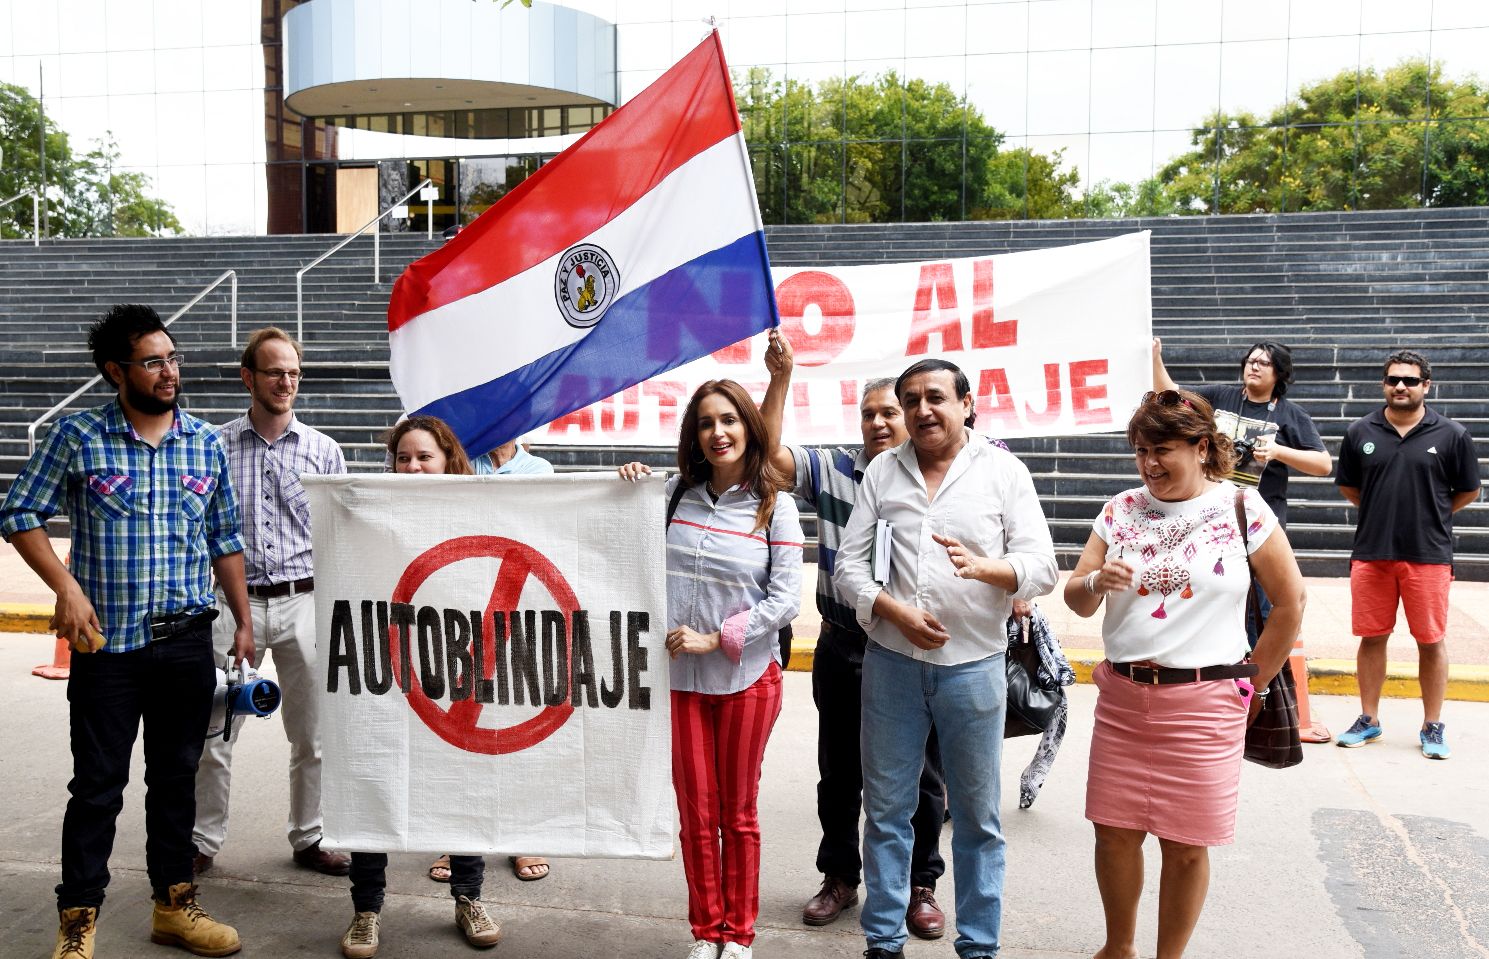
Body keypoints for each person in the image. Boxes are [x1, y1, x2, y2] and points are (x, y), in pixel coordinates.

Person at [1, 304, 253, 959]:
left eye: (171, 357)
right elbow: (20, 510)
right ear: (117, 371)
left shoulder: (203, 441)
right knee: (97, 786)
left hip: (188, 643)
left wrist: (244, 618)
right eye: (152, 361)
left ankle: (174, 907)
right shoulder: (79, 436)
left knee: (176, 779)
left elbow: (224, 535)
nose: (169, 371)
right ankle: (77, 921)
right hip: (107, 649)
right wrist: (65, 584)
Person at [1063, 388, 1303, 959]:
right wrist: (1097, 582)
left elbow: (1290, 603)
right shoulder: (1120, 509)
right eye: (1141, 450)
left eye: (1162, 449)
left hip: (1205, 700)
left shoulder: (1243, 508)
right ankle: (1118, 947)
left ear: (1201, 448)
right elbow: (1075, 596)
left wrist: (1254, 683)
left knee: (1187, 845)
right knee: (1114, 833)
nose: (1149, 464)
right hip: (1124, 700)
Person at [833, 358, 1058, 959]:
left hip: (974, 668)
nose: (922, 410)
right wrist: (891, 608)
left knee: (980, 820)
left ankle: (979, 945)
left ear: (965, 403)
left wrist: (991, 569)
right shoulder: (883, 471)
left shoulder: (1004, 472)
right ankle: (882, 941)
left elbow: (1043, 565)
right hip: (891, 664)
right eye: (911, 400)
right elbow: (847, 565)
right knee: (885, 813)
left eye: (935, 397)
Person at [756, 332, 949, 938]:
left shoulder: (938, 478)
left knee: (923, 779)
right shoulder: (836, 470)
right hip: (845, 646)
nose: (879, 422)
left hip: (917, 649)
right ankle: (840, 878)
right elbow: (767, 458)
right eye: (869, 413)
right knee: (839, 773)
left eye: (890, 411)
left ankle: (921, 888)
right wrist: (781, 378)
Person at [618, 378, 803, 959]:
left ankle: (739, 936)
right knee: (696, 816)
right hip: (680, 684)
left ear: (748, 425)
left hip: (747, 680)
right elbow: (621, 546)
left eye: (728, 420)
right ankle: (707, 932)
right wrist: (627, 489)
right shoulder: (671, 495)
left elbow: (787, 599)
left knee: (737, 814)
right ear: (693, 436)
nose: (718, 432)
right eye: (705, 423)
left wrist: (717, 637)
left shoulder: (776, 505)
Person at [339, 415, 502, 958]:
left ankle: (468, 897)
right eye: (403, 457)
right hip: (384, 675)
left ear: (448, 460)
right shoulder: (370, 517)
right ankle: (366, 910)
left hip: (454, 673)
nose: (411, 466)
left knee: (463, 781)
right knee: (374, 780)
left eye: (423, 457)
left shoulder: (479, 512)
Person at [192, 327, 350, 878]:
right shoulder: (213, 445)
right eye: (275, 372)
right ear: (248, 378)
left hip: (304, 601)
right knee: (213, 728)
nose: (286, 382)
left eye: (294, 373)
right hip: (233, 606)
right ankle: (202, 842)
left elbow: (339, 534)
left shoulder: (324, 450)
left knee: (313, 733)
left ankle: (309, 836)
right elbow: (201, 530)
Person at [1152, 337, 1333, 742]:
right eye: (1251, 361)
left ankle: (1256, 695)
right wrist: (1156, 356)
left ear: (1278, 374)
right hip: (1207, 521)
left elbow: (1323, 464)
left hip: (1258, 528)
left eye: (1264, 364)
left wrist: (1280, 452)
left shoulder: (1290, 414)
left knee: (1263, 611)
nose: (1254, 367)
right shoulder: (1219, 398)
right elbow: (1170, 396)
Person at [1334, 350, 1481, 760]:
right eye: (1393, 379)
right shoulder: (1359, 431)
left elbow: (1469, 490)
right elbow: (1349, 486)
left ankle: (1433, 725)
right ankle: (1369, 719)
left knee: (1431, 641)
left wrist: (1430, 511)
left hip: (1428, 553)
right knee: (1372, 637)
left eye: (1410, 380)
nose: (1401, 386)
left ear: (1426, 386)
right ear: (1384, 384)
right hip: (1372, 551)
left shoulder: (1452, 434)